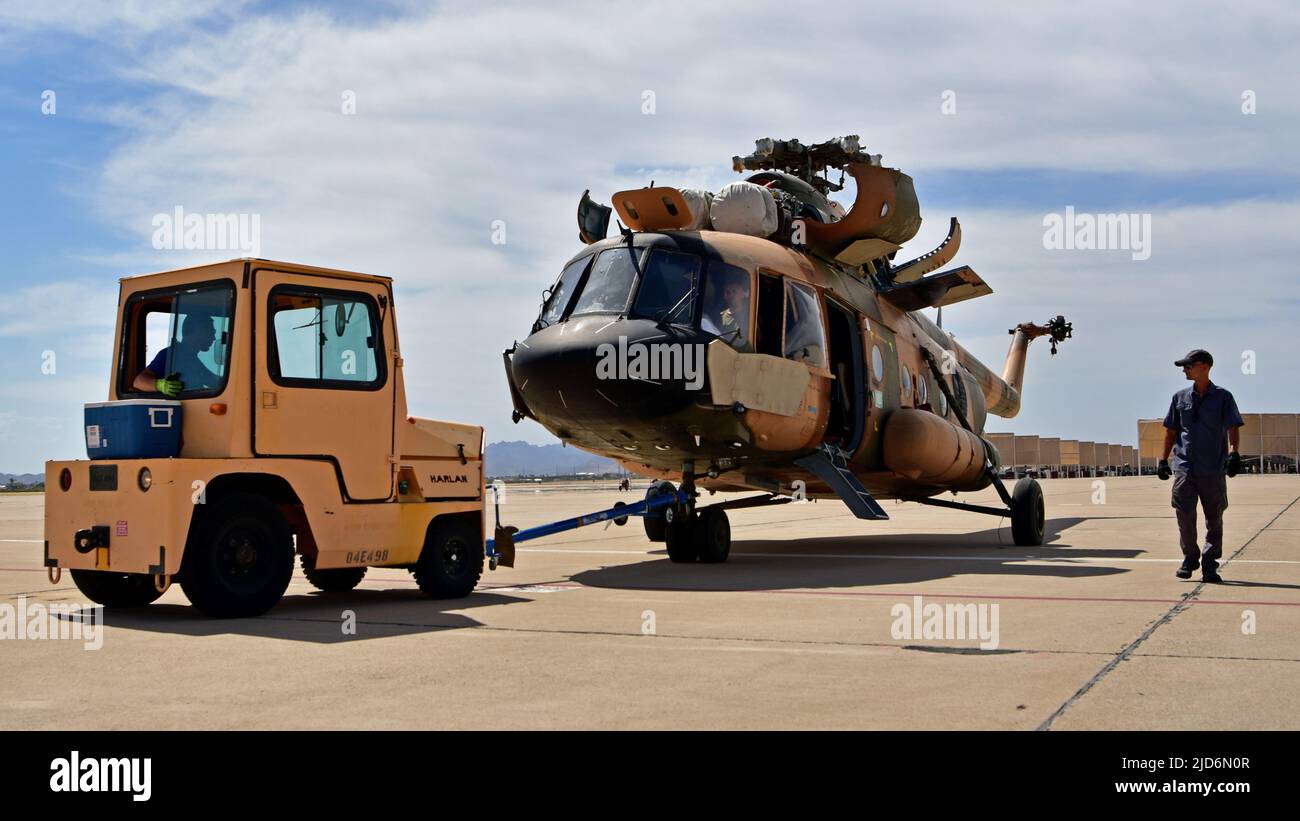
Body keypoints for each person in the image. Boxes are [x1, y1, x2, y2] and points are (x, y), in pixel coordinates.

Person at [1157, 349, 1244, 583]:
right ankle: (1190, 557)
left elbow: (1233, 427)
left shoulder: (1223, 397)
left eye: (1189, 366)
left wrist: (1234, 454)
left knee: (1214, 517)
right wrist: (1163, 460)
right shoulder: (1179, 398)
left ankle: (1210, 563)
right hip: (1185, 467)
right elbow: (1171, 431)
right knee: (1184, 515)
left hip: (1212, 468)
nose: (1185, 370)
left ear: (1204, 367)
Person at [133, 313, 221, 397]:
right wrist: (160, 385)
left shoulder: (194, 361)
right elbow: (138, 382)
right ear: (193, 332)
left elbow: (215, 381)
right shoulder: (170, 354)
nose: (213, 338)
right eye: (210, 332)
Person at [701, 268, 751, 351]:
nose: (730, 295)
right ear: (724, 296)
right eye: (727, 292)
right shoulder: (718, 315)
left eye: (734, 291)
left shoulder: (748, 318)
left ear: (743, 294)